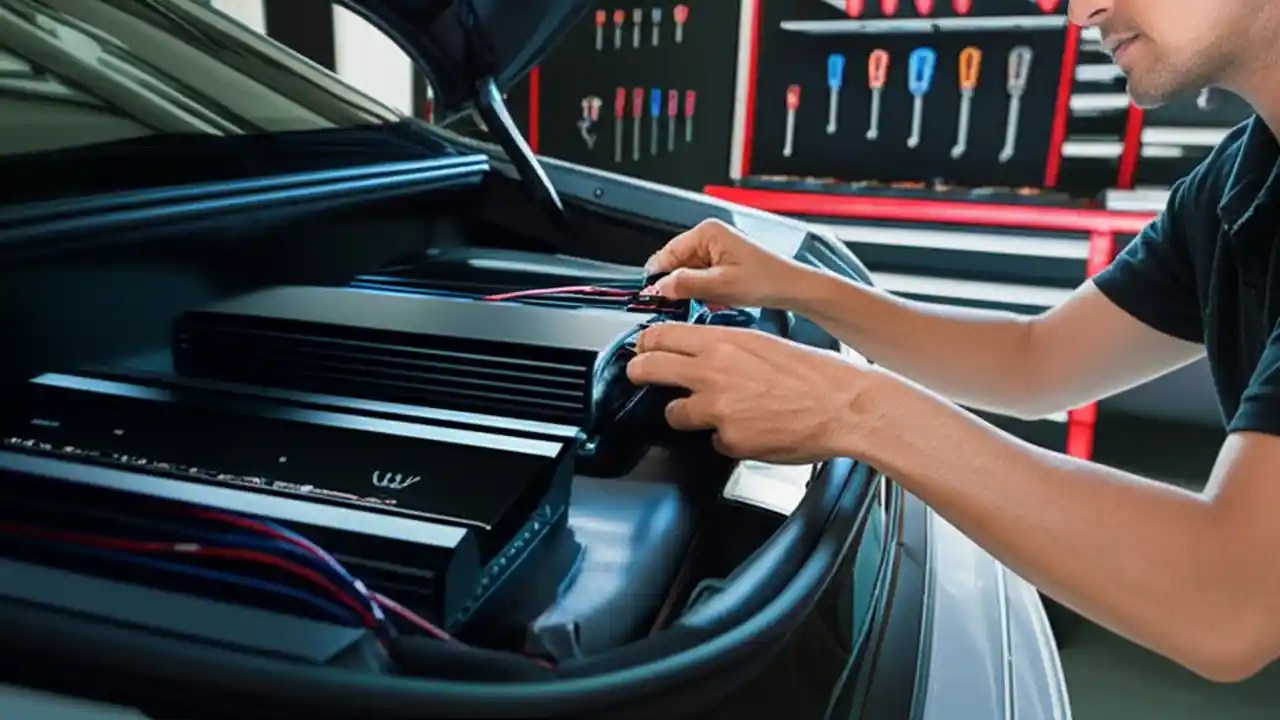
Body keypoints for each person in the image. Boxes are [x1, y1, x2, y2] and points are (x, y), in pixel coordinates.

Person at [627, 0, 1280, 683]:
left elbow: (1231, 599)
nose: (1081, 12)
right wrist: (793, 284)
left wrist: (853, 410)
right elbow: (1036, 362)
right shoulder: (1242, 176)